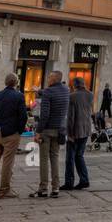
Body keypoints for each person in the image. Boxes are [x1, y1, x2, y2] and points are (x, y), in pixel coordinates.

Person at [0, 74, 27, 199]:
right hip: (11, 132)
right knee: (7, 162)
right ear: (16, 83)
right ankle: (4, 190)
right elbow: (23, 116)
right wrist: (19, 131)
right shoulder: (19, 96)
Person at [30, 71, 70, 199]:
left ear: (53, 79)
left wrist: (38, 132)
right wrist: (40, 91)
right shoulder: (65, 90)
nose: (47, 79)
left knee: (43, 159)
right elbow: (52, 93)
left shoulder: (48, 92)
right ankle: (56, 188)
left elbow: (45, 114)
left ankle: (43, 188)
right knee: (55, 158)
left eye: (49, 77)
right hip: (60, 130)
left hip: (47, 130)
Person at [63, 78, 94, 191]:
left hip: (75, 130)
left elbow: (70, 117)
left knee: (70, 158)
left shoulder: (72, 96)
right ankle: (84, 179)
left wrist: (69, 133)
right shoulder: (90, 94)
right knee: (79, 155)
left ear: (74, 85)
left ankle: (69, 182)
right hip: (86, 129)